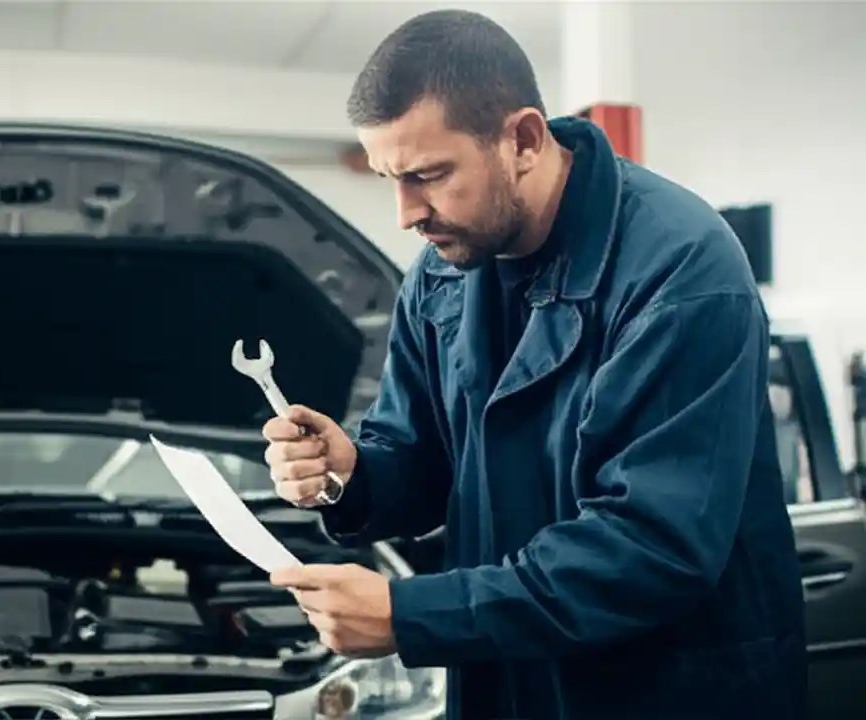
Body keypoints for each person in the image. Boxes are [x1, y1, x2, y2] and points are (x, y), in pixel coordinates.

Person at [262, 9, 807, 719]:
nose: (405, 214)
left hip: (664, 691)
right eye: (389, 178)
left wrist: (413, 614)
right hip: (509, 680)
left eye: (427, 175)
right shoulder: (442, 274)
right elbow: (421, 462)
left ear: (521, 138)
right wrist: (350, 473)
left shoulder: (682, 270)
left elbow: (651, 547)